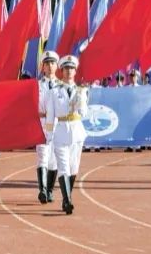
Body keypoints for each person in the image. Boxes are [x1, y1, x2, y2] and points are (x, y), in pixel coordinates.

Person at [44, 55, 88, 215]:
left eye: (71, 68)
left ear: (75, 71)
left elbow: (83, 113)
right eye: (66, 68)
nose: (69, 71)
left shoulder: (81, 91)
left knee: (73, 167)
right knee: (63, 167)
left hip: (77, 132)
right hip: (61, 131)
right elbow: (50, 116)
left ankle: (66, 198)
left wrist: (81, 100)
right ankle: (67, 200)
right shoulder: (54, 92)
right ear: (61, 70)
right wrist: (48, 136)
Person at [36, 51, 59, 204]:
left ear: (57, 66)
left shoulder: (62, 85)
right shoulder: (37, 85)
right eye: (47, 64)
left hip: (58, 126)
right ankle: (42, 190)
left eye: (52, 63)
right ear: (42, 67)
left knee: (54, 160)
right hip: (43, 124)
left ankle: (50, 190)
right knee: (43, 157)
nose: (50, 66)